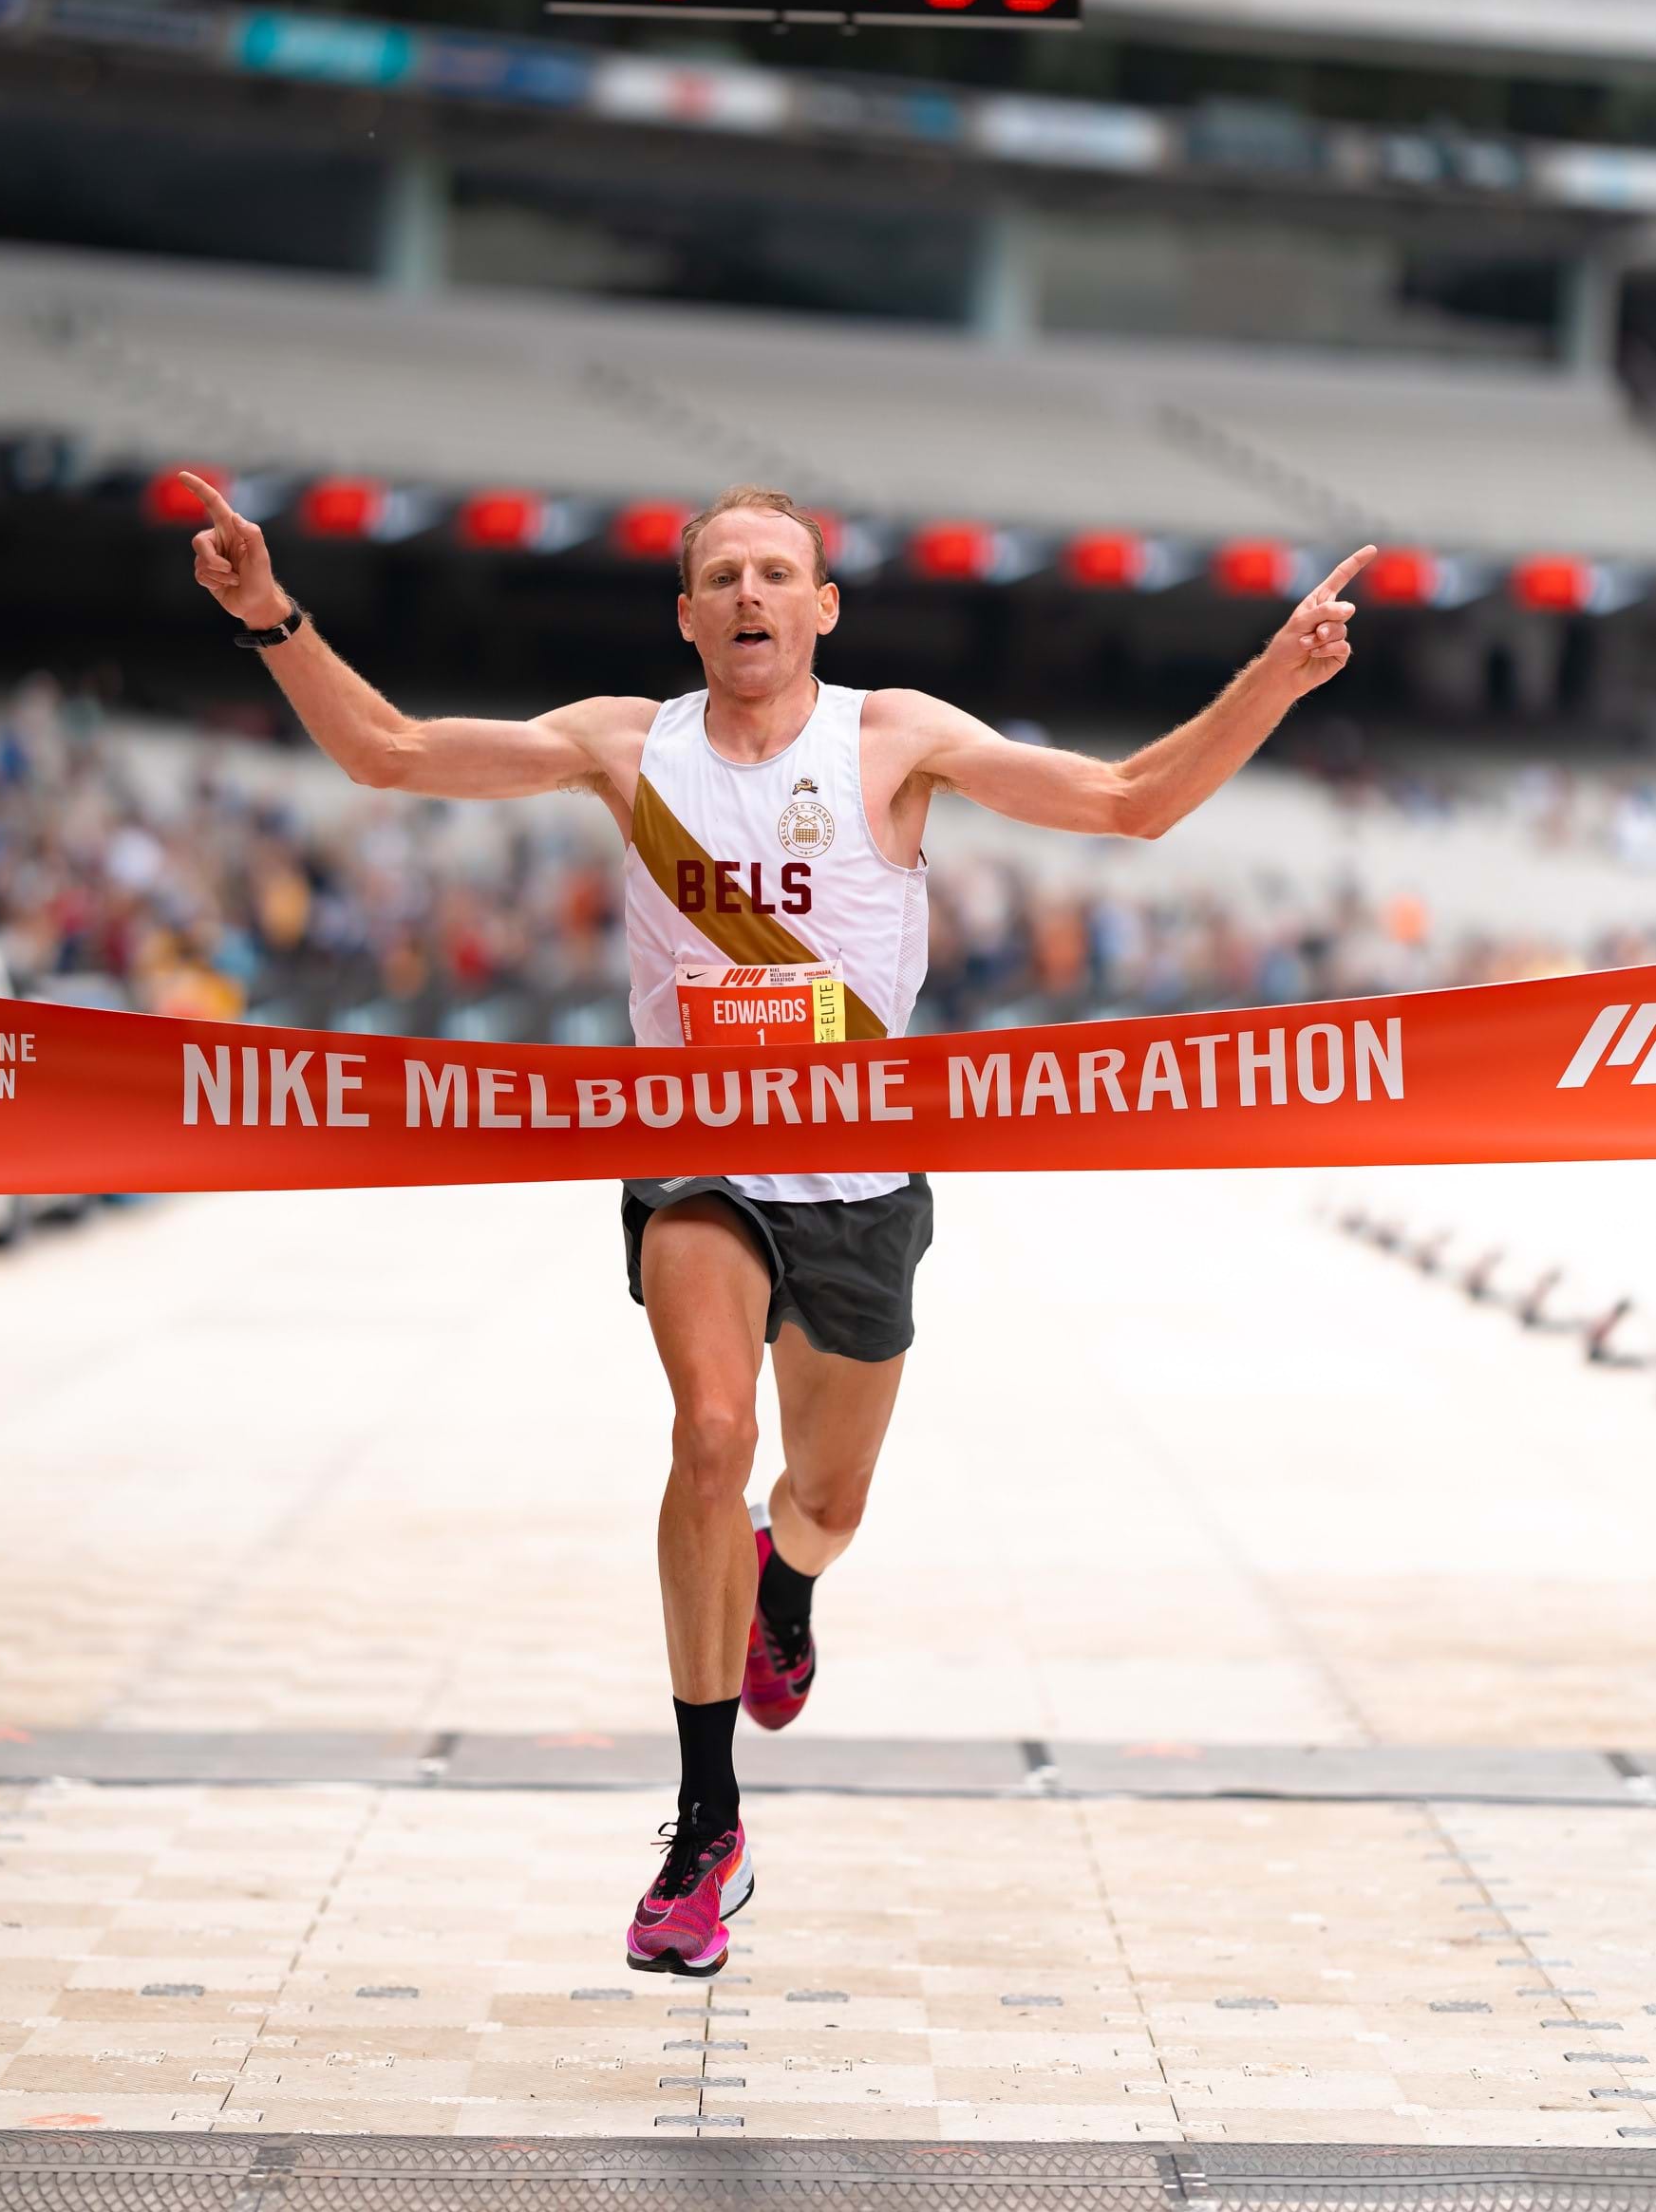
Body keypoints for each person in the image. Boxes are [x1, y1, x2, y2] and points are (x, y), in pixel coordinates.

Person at [179, 471, 1372, 1978]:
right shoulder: (628, 744)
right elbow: (389, 752)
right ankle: (703, 1819)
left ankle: (786, 1585)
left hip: (861, 1184)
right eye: (721, 574)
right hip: (694, 1161)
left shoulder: (893, 739)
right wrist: (269, 614)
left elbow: (1132, 801)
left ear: (822, 606)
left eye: (775, 572)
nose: (748, 592)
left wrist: (1276, 673)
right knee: (708, 1432)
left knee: (824, 1495)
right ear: (685, 616)